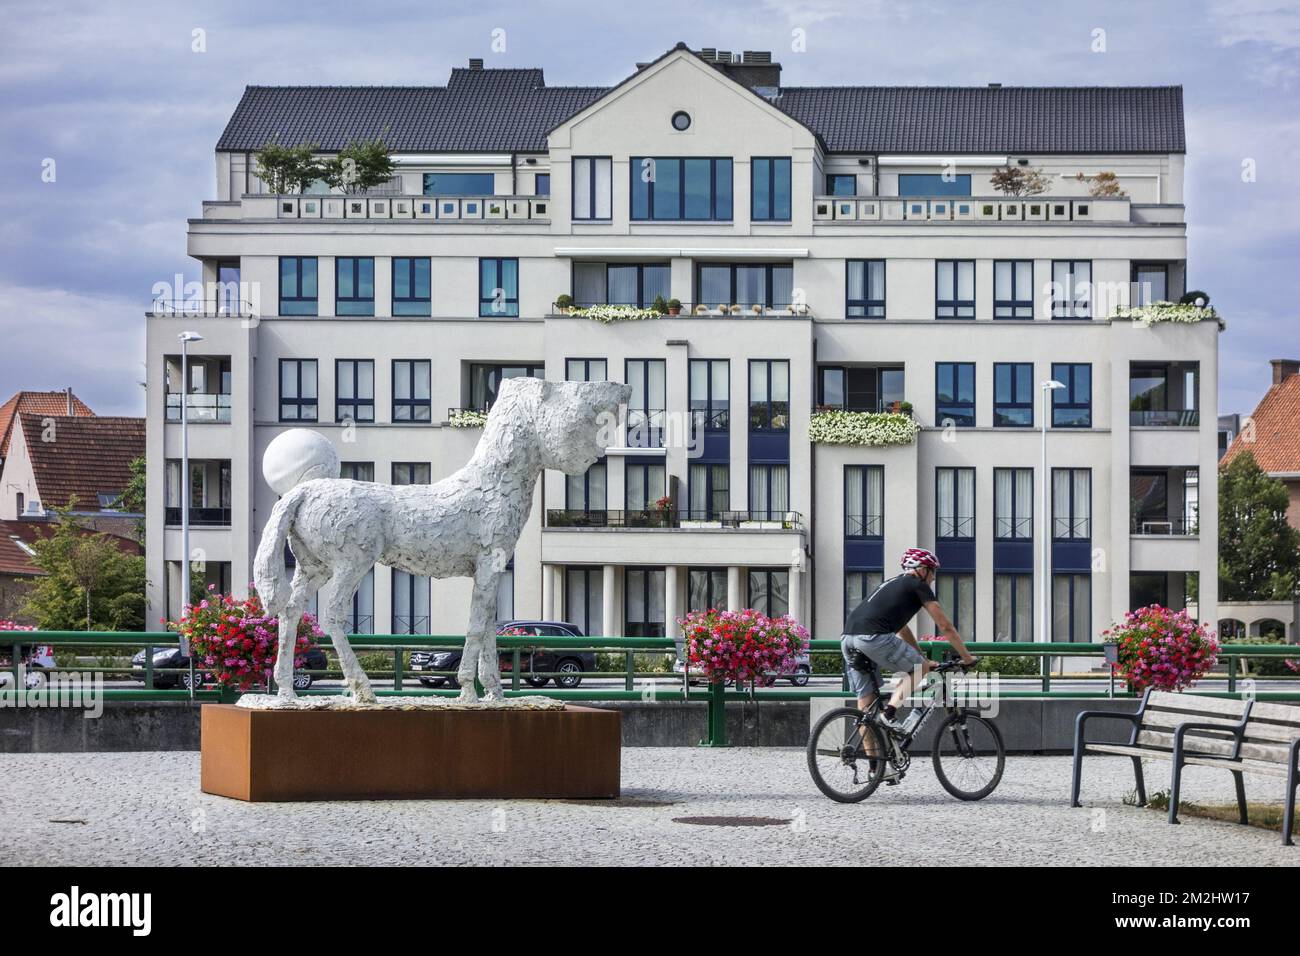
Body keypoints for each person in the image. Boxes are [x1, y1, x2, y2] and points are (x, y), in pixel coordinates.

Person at [841, 548, 977, 734]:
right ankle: (889, 714)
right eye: (932, 571)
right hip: (873, 637)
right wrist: (967, 658)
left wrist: (921, 658)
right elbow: (945, 626)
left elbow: (903, 629)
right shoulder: (917, 585)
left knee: (866, 707)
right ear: (922, 570)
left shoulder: (892, 584)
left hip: (848, 638)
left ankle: (874, 763)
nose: (933, 578)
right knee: (919, 669)